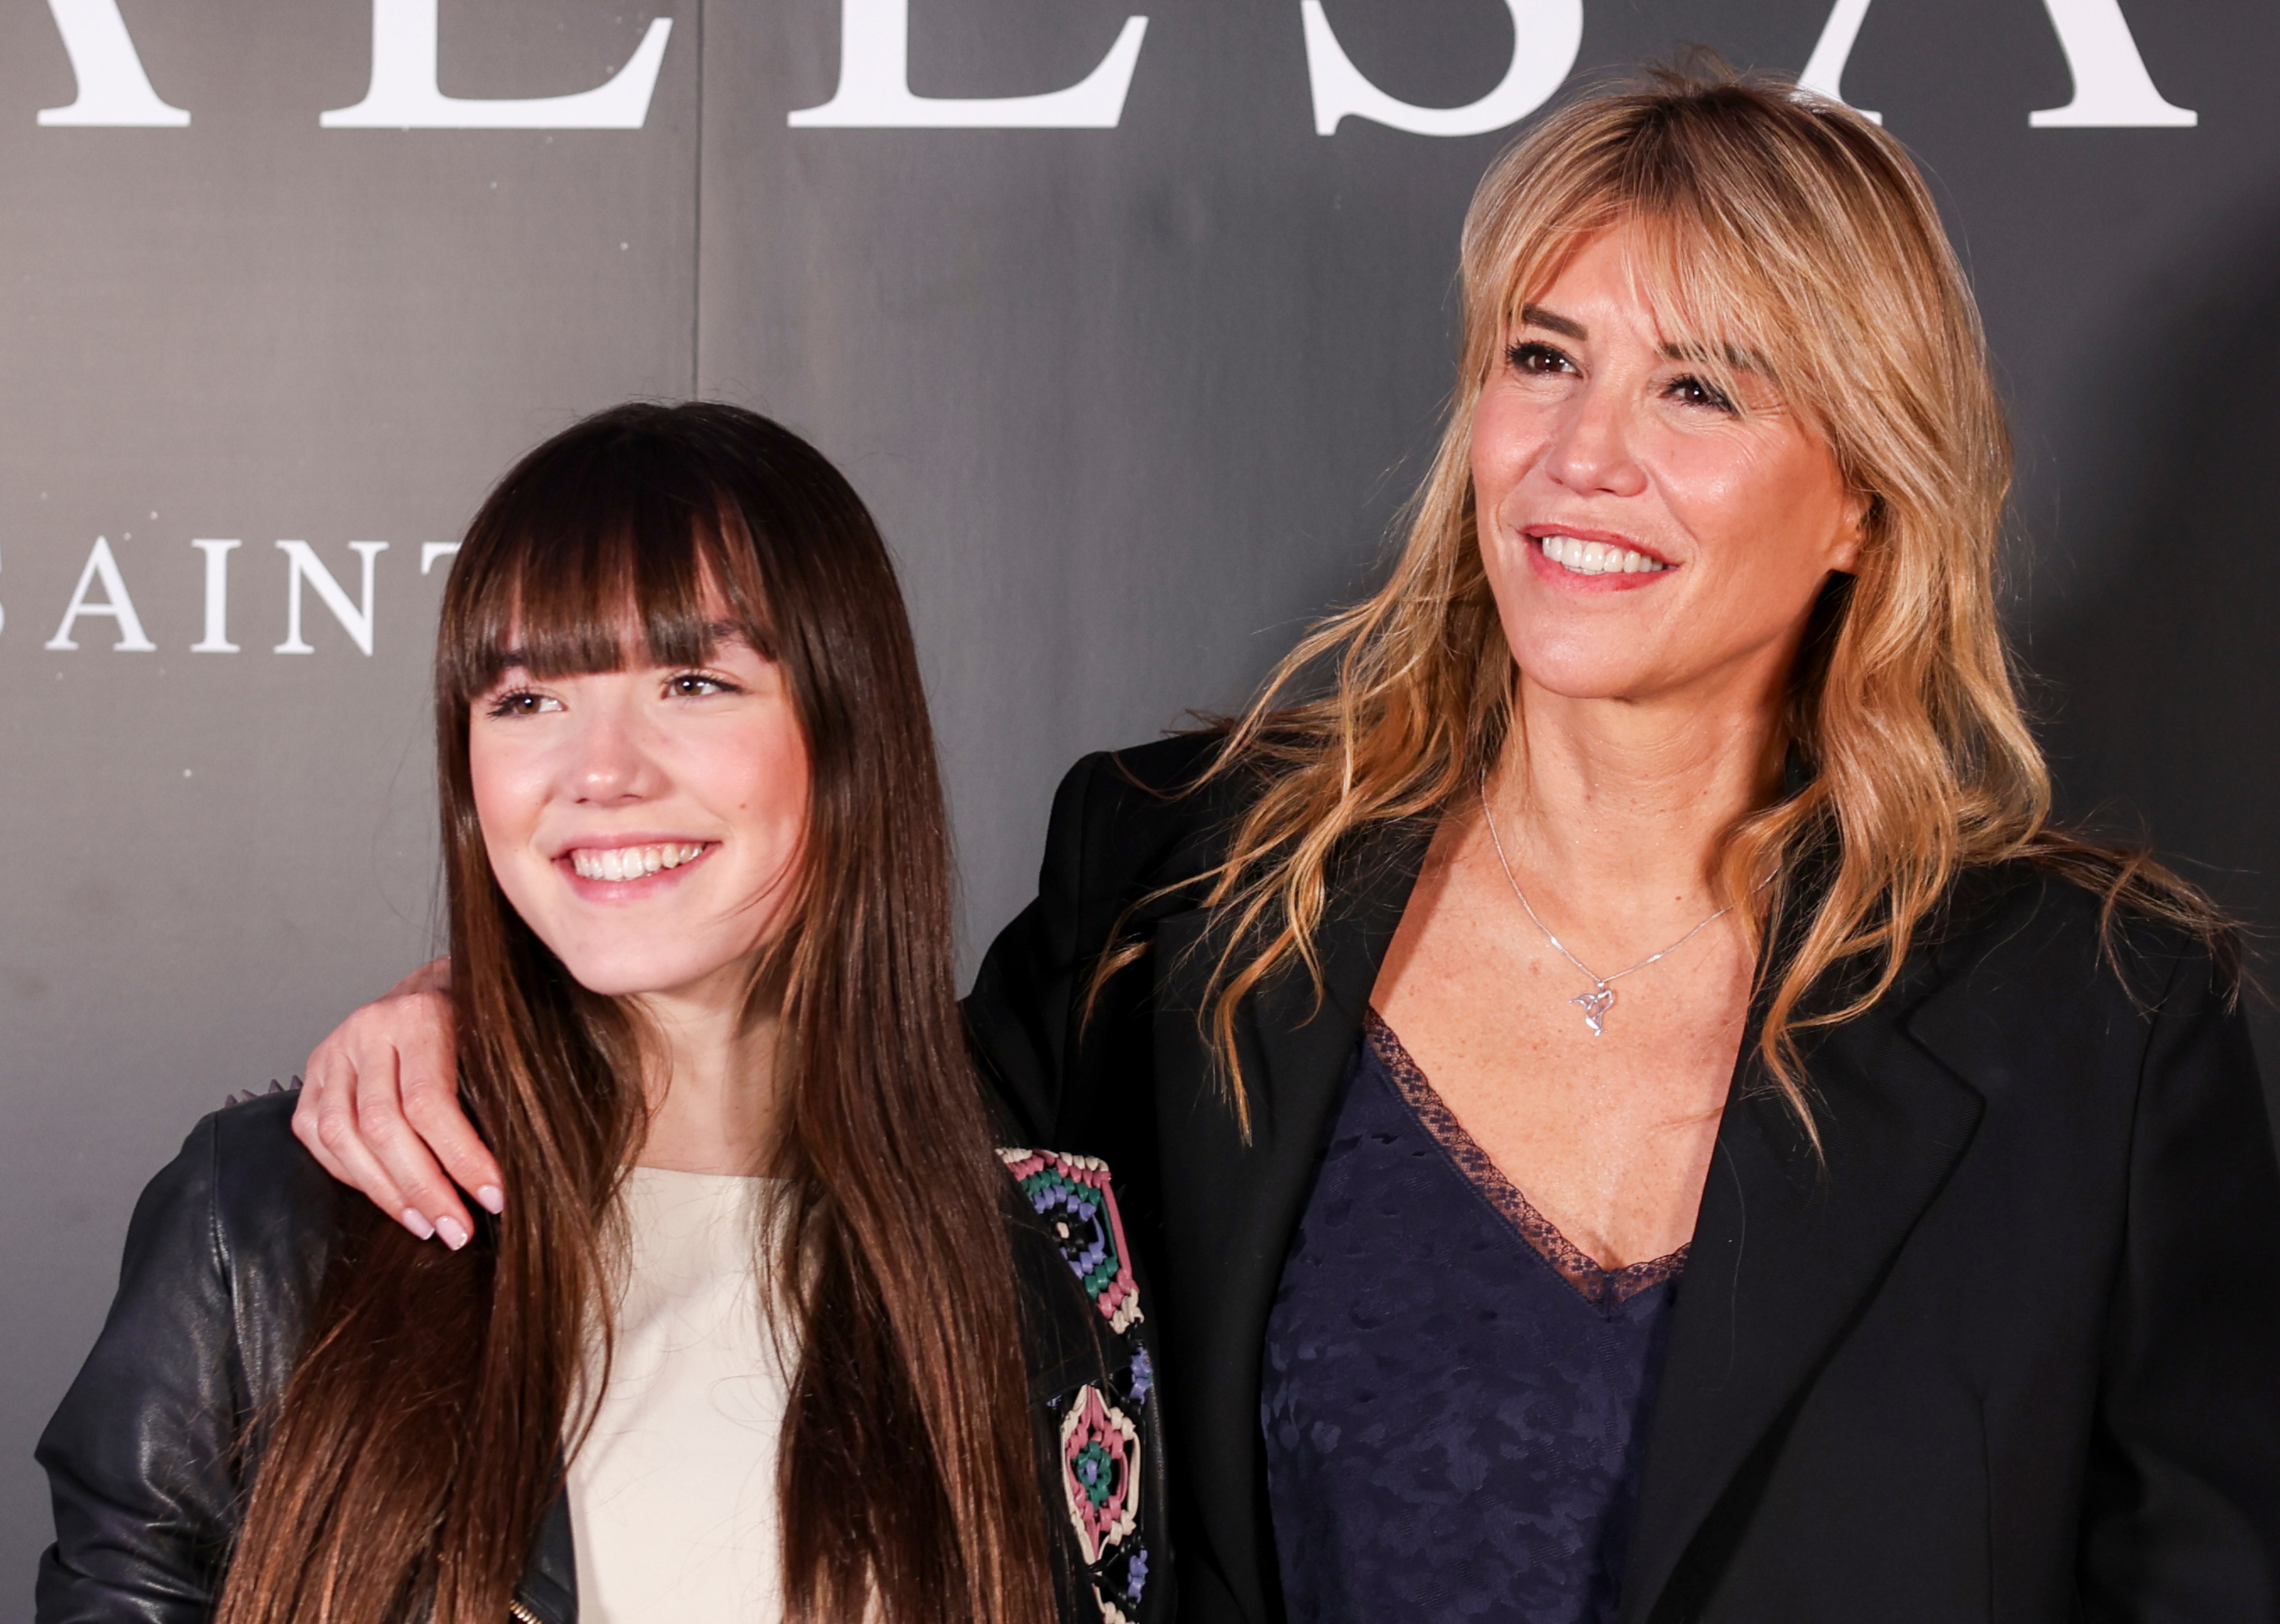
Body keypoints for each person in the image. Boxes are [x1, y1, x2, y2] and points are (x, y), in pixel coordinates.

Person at [285, 68, 2280, 1624]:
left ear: (1862, 498)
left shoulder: (2093, 1027)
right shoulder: (1179, 887)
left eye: (1698, 387)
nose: (1581, 455)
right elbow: (820, 1135)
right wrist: (485, 1005)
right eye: (1540, 356)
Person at [35, 403, 1166, 1624]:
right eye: (525, 701)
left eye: (694, 682)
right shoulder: (268, 1228)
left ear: (849, 730)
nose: (600, 772)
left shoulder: (1047, 1255)